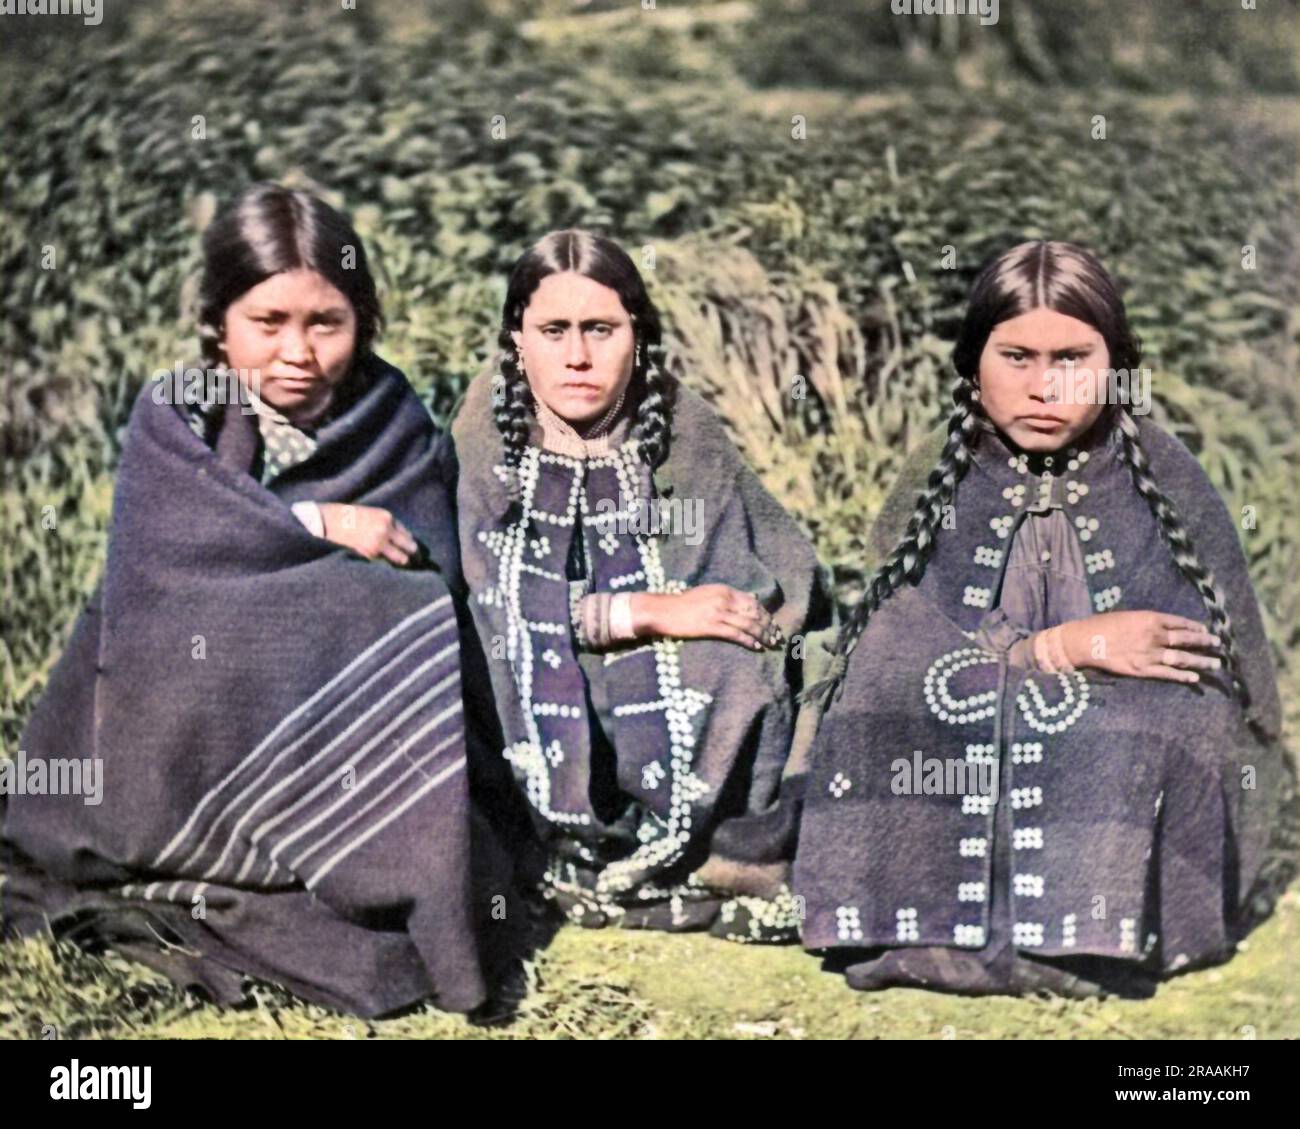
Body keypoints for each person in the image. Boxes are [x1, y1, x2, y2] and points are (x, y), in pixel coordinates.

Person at [1, 183, 520, 1018]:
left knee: (385, 605)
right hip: (177, 722)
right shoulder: (178, 416)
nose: (298, 353)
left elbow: (430, 588)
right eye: (266, 324)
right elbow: (162, 577)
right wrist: (315, 525)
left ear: (364, 322)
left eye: (326, 323)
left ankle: (355, 856)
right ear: (218, 325)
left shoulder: (392, 421)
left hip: (330, 737)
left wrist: (331, 584)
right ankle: (216, 841)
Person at [794, 240, 1290, 996]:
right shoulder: (936, 472)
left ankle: (1097, 931)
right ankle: (916, 924)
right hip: (966, 707)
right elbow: (896, 649)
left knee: (1154, 727)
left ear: (1115, 363)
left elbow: (1219, 666)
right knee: (880, 700)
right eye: (1016, 356)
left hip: (1118, 722)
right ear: (974, 362)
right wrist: (1062, 647)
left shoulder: (1166, 474)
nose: (1042, 387)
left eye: (1072, 358)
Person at [448, 230, 835, 940]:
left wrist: (722, 612)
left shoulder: (679, 423)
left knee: (738, 662)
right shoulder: (485, 429)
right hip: (531, 657)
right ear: (517, 339)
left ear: (638, 335)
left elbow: (755, 568)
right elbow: (489, 604)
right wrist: (634, 611)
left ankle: (716, 849)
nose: (577, 356)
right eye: (553, 330)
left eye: (601, 329)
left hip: (665, 657)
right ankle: (562, 845)